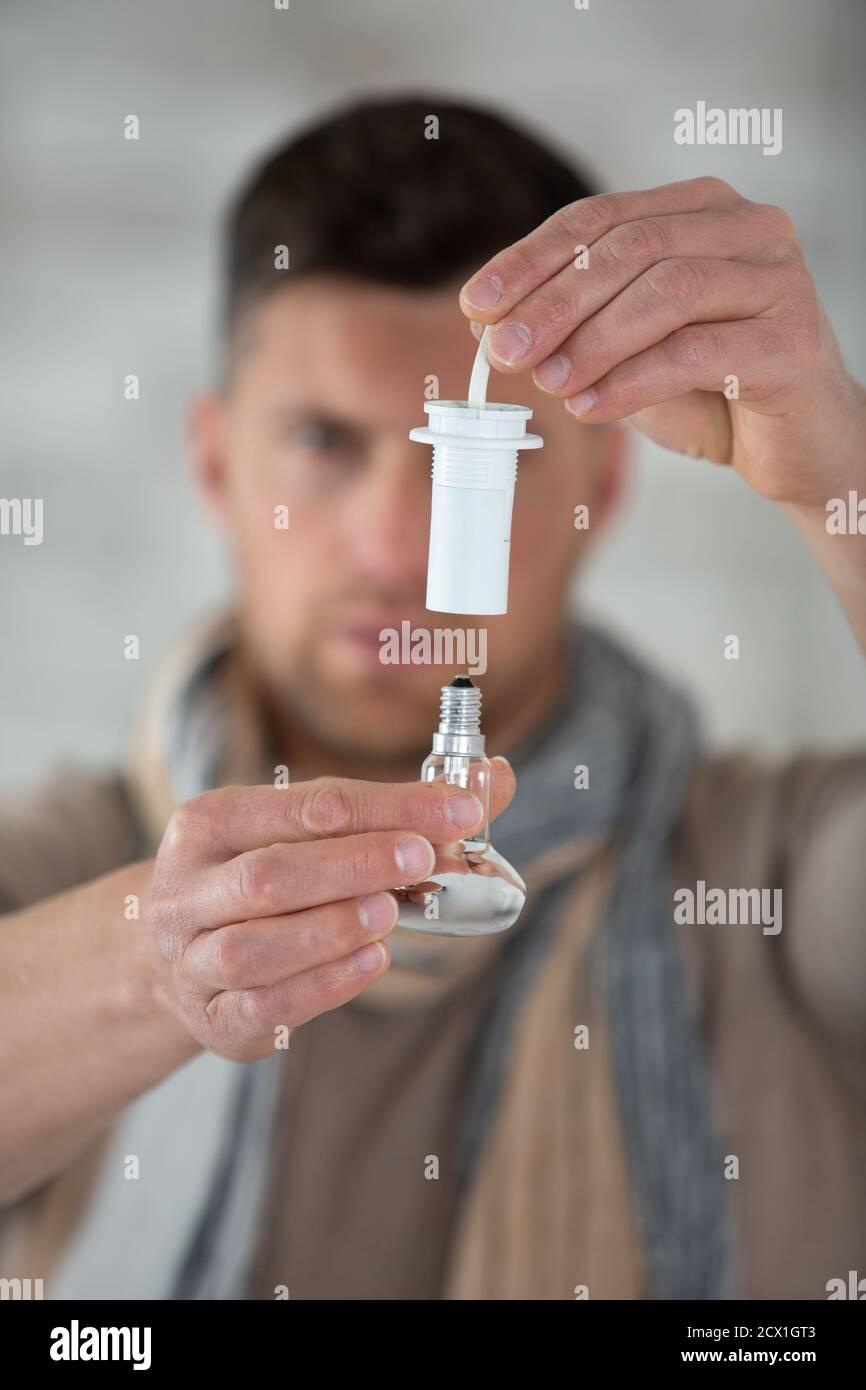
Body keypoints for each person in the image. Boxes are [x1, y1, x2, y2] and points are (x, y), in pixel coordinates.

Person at [1, 94, 864, 1302]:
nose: (395, 545)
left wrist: (840, 476)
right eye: (324, 440)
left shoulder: (778, 885)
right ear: (213, 463)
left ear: (602, 483)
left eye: (474, 450)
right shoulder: (64, 871)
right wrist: (159, 965)